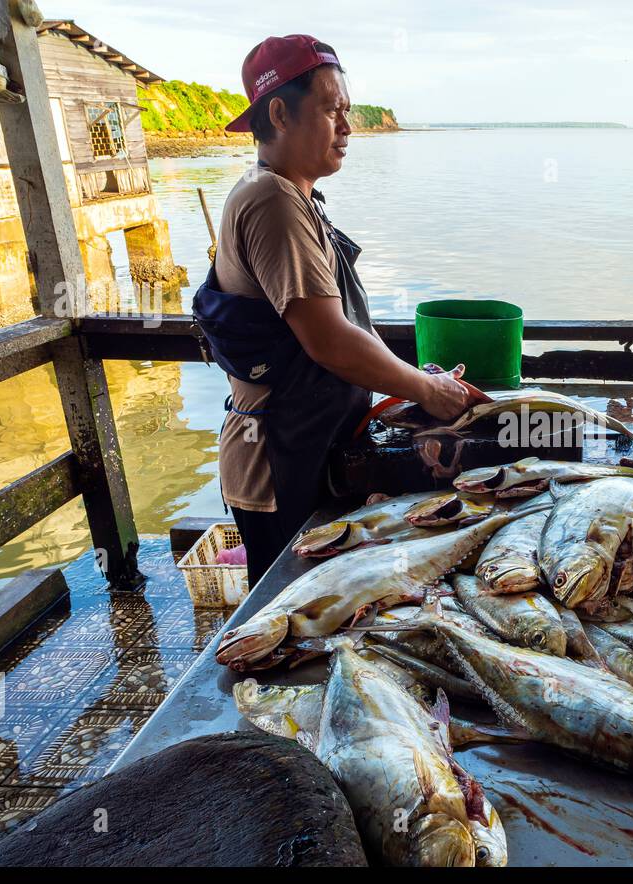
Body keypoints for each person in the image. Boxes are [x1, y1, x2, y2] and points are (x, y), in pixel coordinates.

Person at [193, 35, 473, 587]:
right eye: (332, 110)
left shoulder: (293, 197)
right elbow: (330, 341)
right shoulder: (271, 201)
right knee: (298, 615)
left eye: (346, 110)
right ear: (279, 112)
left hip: (310, 446)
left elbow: (340, 331)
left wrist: (411, 382)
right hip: (279, 463)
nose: (347, 127)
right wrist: (424, 390)